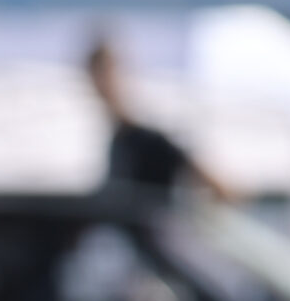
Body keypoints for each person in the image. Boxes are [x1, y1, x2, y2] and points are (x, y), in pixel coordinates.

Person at [86, 37, 229, 202]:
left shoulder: (150, 140)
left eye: (106, 71)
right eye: (96, 73)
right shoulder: (119, 140)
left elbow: (219, 187)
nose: (101, 82)